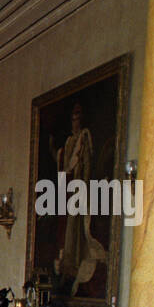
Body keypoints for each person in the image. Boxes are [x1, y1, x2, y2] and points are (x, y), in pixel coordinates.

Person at [48, 101, 107, 296]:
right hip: (68, 189)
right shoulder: (68, 141)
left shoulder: (85, 136)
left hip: (78, 189)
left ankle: (72, 267)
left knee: (76, 231)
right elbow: (63, 161)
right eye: (73, 115)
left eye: (78, 115)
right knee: (65, 232)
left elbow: (85, 161)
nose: (75, 119)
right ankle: (65, 268)